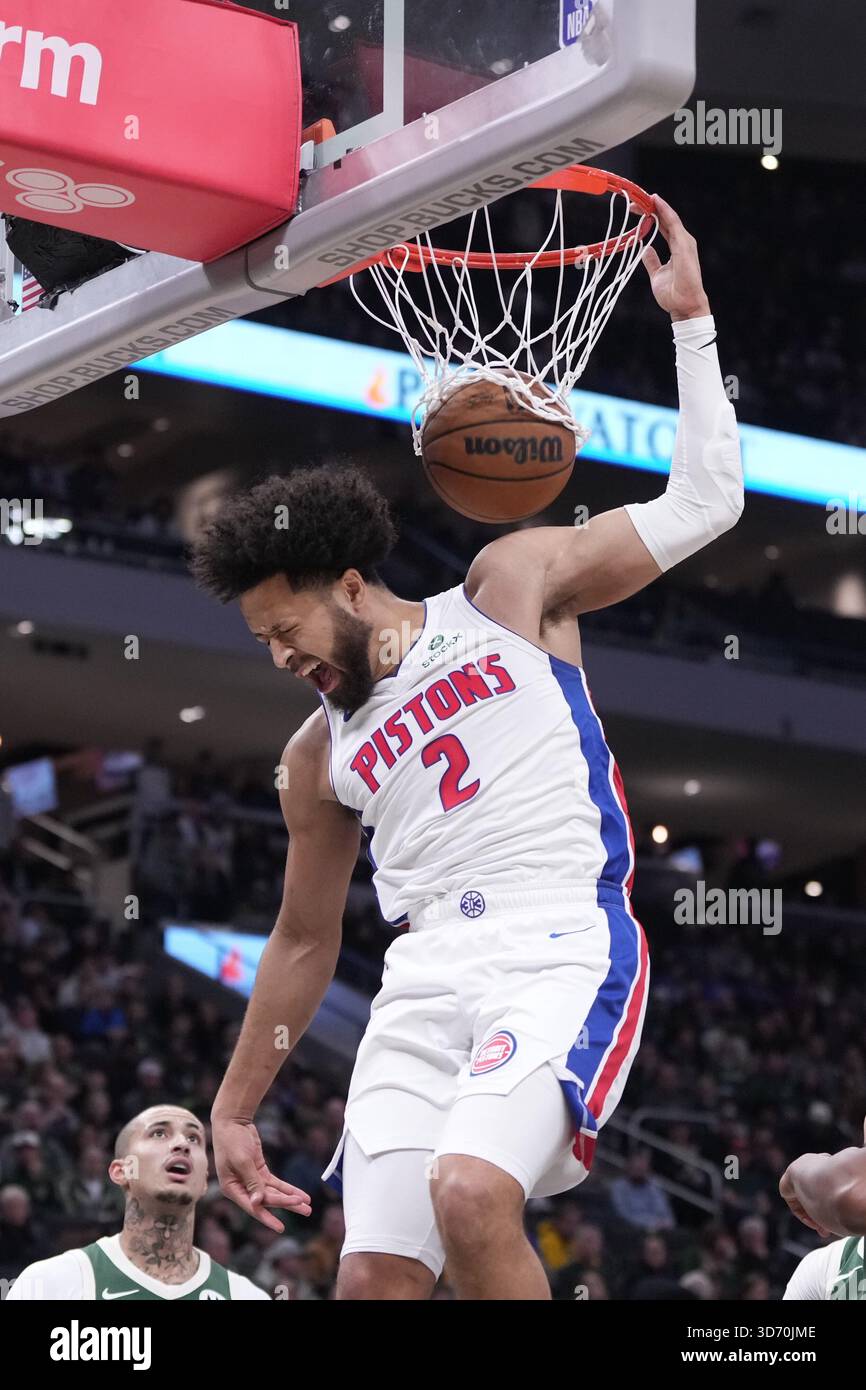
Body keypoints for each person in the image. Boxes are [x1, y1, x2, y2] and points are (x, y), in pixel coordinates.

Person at [192, 197, 744, 1300]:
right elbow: (302, 941)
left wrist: (689, 326)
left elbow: (707, 500)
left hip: (555, 939)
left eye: (285, 632)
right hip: (420, 976)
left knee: (470, 1193)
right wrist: (236, 1104)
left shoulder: (504, 591)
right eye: (259, 644)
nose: (278, 659)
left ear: (349, 587)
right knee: (372, 1285)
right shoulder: (314, 758)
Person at [6, 1106, 269, 1300]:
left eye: (194, 1139)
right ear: (121, 1171)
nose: (182, 1144)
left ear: (203, 1181)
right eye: (159, 1134)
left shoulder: (247, 1296)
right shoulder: (51, 1283)